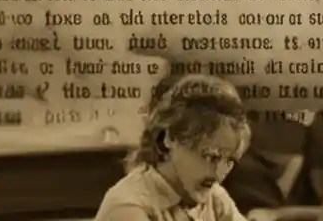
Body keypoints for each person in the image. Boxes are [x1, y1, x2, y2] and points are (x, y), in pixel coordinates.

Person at [95, 74, 250, 221]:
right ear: (170, 138)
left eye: (229, 161)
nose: (219, 174)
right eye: (210, 156)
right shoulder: (127, 207)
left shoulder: (214, 199)